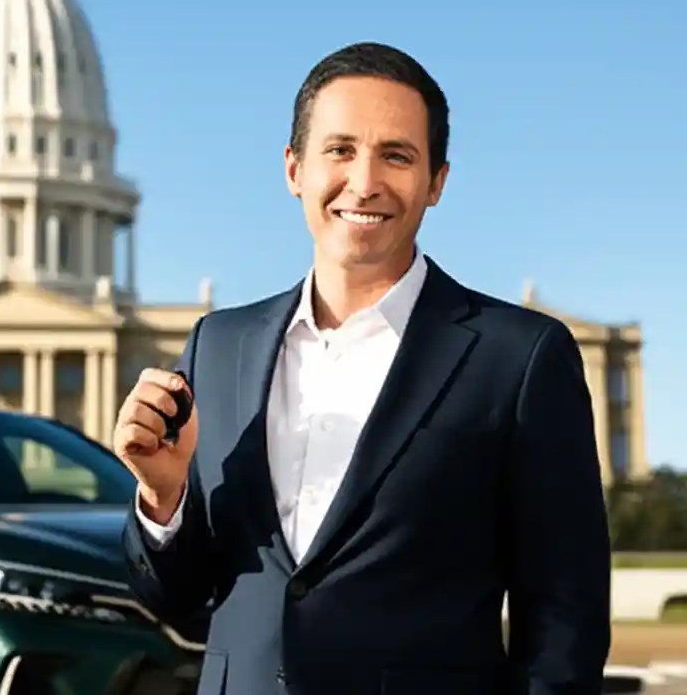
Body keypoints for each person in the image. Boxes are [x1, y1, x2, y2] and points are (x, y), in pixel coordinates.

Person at [114, 42, 611, 695]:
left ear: (437, 181)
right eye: (340, 150)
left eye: (397, 155)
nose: (366, 181)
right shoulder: (218, 346)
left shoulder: (518, 357)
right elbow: (173, 600)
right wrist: (162, 497)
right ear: (294, 168)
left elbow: (565, 616)